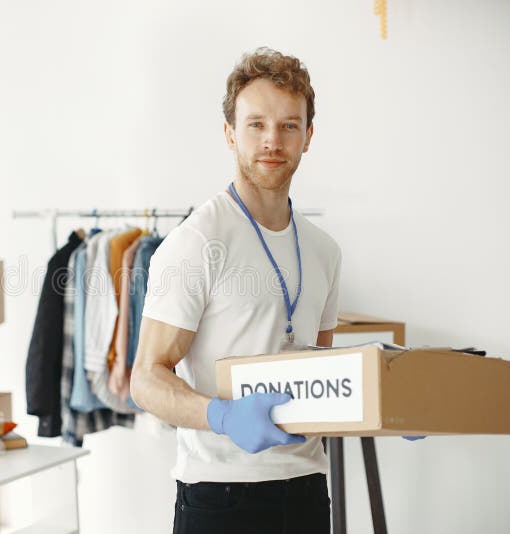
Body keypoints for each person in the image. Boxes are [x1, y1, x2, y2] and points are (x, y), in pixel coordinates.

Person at [130, 47, 339, 533]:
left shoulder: (324, 250)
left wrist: (389, 408)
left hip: (307, 490)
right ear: (229, 133)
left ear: (308, 137)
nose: (273, 140)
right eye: (256, 124)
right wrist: (222, 417)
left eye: (290, 125)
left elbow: (324, 381)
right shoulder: (197, 242)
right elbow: (145, 379)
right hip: (219, 499)